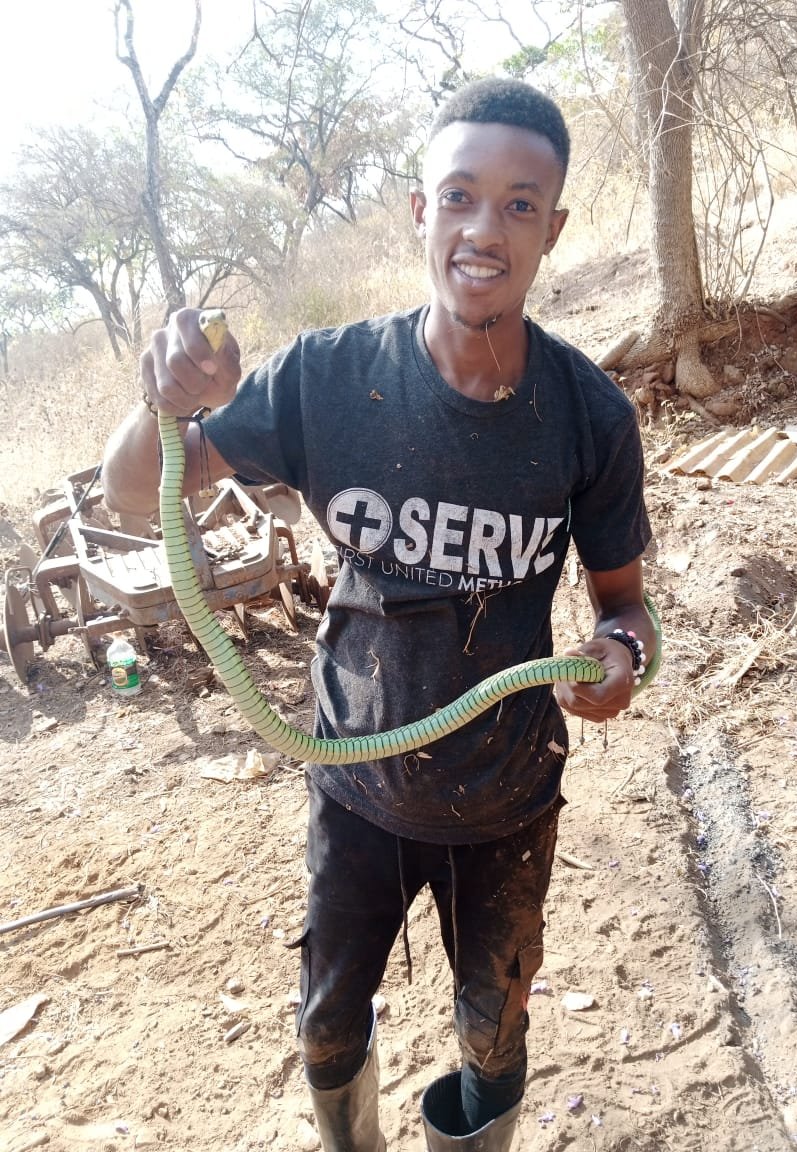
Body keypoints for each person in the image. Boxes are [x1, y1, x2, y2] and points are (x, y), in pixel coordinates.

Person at [102, 77, 654, 1152]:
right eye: (458, 196)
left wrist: (621, 655)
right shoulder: (326, 378)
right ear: (419, 212)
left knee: (492, 1042)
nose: (484, 229)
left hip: (508, 797)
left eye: (519, 204)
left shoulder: (591, 415)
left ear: (555, 227)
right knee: (326, 1028)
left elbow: (624, 604)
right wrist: (162, 403)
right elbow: (133, 492)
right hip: (354, 782)